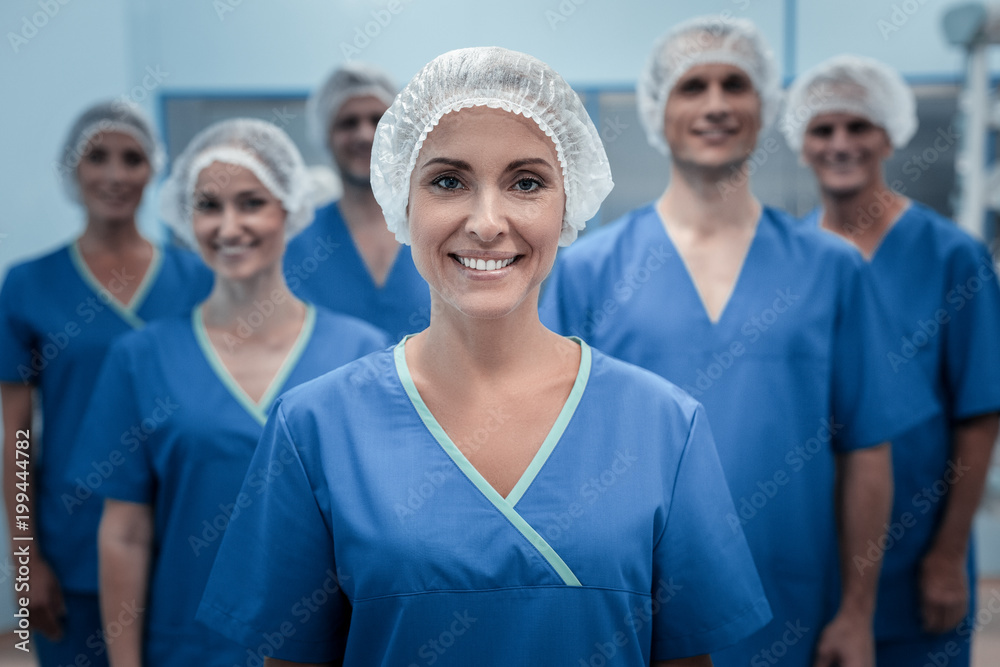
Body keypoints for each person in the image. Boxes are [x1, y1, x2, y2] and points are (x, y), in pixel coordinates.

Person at [197, 46, 771, 666]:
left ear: (569, 203)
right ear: (402, 200)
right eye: (449, 181)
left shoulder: (664, 427)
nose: (487, 222)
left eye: (527, 183)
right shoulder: (314, 428)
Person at [541, 16, 937, 667]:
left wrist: (857, 613)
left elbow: (867, 449)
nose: (716, 104)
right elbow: (557, 458)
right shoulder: (590, 271)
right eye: (692, 86)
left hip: (797, 607)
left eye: (735, 84)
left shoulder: (831, 269)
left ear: (765, 106)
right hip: (635, 610)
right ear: (657, 108)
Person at [65, 118, 389, 667]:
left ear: (290, 208)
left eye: (251, 203)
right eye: (209, 206)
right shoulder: (141, 358)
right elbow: (124, 532)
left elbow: (377, 523)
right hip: (187, 646)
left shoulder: (360, 352)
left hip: (326, 648)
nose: (229, 226)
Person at [782, 54, 1000, 666]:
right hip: (810, 555)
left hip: (918, 552)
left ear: (889, 135)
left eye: (858, 126)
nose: (840, 143)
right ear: (801, 143)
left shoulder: (951, 257)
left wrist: (948, 554)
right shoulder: (790, 261)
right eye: (823, 129)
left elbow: (980, 412)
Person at [0, 101, 212, 666]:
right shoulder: (28, 284)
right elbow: (16, 439)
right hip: (73, 545)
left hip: (183, 537)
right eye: (98, 157)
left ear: (154, 170)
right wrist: (25, 563)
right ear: (73, 167)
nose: (116, 174)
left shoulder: (198, 279)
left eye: (133, 158)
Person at [285, 62, 431, 340]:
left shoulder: (437, 229)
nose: (364, 135)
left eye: (377, 120)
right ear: (325, 135)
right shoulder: (296, 245)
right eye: (348, 123)